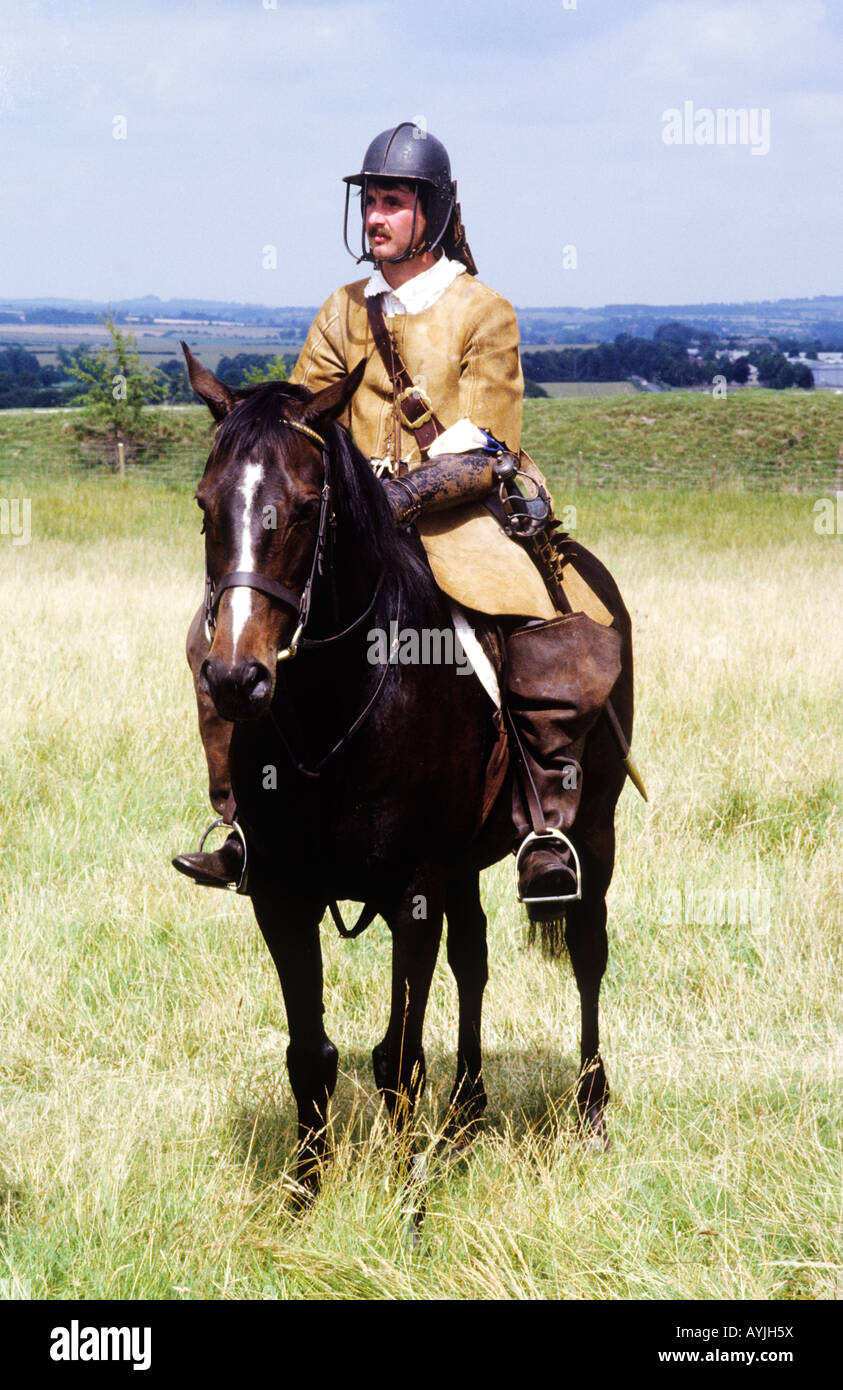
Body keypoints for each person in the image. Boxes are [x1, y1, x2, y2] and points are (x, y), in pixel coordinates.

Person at [173, 122, 620, 914]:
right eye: (369, 203)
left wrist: (390, 501)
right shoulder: (342, 310)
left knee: (528, 625)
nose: (374, 218)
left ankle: (542, 823)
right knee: (218, 633)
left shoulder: (485, 312)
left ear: (434, 212)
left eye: (390, 203)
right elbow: (302, 428)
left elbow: (486, 448)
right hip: (346, 524)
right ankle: (243, 823)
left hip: (458, 516)